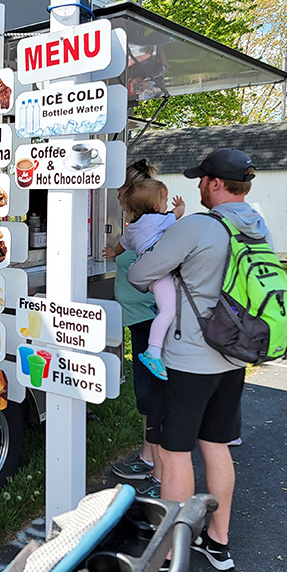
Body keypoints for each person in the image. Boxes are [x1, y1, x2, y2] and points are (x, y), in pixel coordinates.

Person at [127, 148, 269, 571]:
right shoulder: (258, 227)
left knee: (174, 453)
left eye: (203, 179)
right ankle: (217, 540)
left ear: (216, 184)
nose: (198, 186)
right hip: (232, 355)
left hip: (187, 360)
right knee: (217, 445)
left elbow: (139, 274)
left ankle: (172, 554)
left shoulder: (197, 227)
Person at [106, 160, 160, 493]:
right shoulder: (137, 226)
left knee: (150, 393)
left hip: (151, 319)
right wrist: (114, 251)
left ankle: (153, 463)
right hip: (141, 319)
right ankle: (151, 456)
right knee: (147, 392)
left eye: (120, 188)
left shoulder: (151, 228)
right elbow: (123, 250)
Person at [104, 179, 185, 380]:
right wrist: (180, 206)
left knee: (168, 307)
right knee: (168, 310)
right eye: (165, 201)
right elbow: (178, 215)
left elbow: (122, 244)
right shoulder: (157, 220)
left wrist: (114, 252)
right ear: (156, 206)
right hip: (160, 275)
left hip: (151, 277)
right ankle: (153, 352)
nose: (167, 205)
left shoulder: (133, 227)